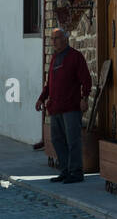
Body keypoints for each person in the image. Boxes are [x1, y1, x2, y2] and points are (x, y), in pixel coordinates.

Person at [35, 28, 92, 183]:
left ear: (66, 39)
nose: (53, 41)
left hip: (71, 108)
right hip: (56, 108)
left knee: (73, 140)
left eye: (57, 38)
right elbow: (49, 84)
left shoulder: (75, 57)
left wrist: (84, 98)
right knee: (57, 139)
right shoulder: (54, 58)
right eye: (52, 38)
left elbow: (86, 80)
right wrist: (41, 99)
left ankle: (76, 172)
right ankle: (65, 170)